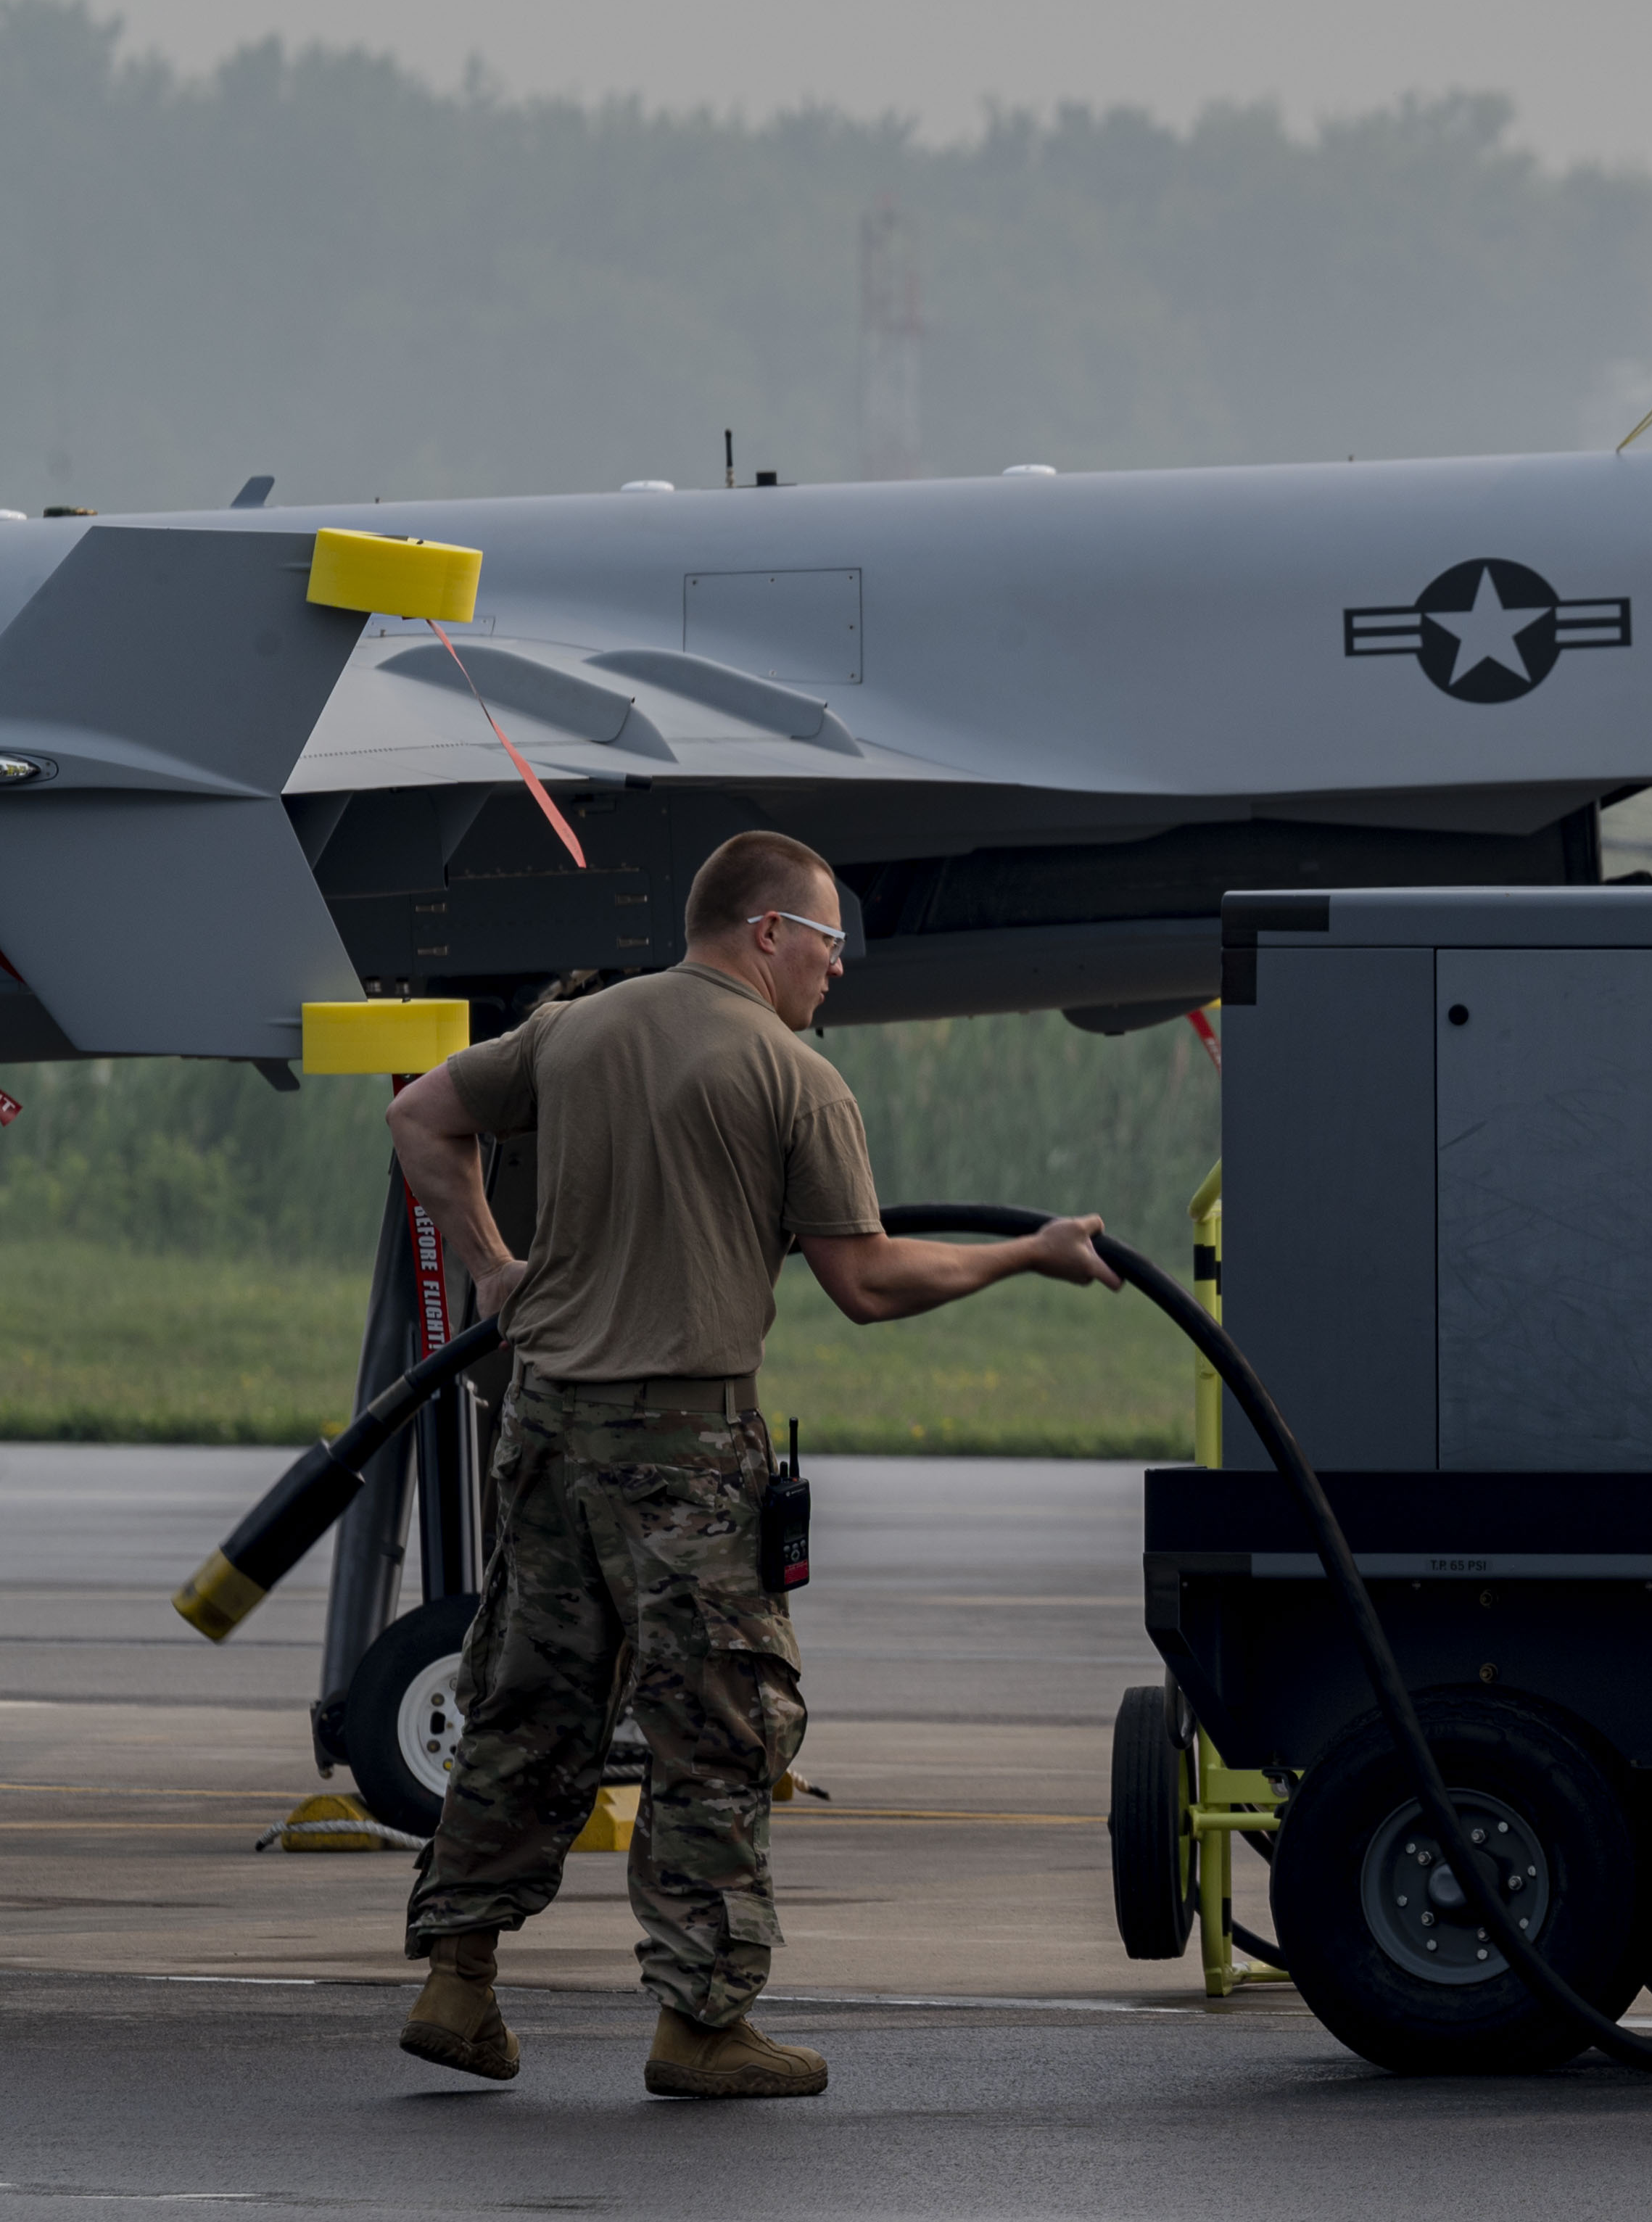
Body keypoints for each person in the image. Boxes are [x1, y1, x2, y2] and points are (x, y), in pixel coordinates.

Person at [384, 830, 1113, 2099]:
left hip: (548, 1426)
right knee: (719, 1725)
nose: (838, 973)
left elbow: (419, 1114)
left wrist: (494, 1264)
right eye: (831, 943)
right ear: (770, 932)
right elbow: (869, 1282)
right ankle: (703, 2023)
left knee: (526, 1701)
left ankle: (459, 1980)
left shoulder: (577, 1031)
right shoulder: (794, 1077)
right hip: (682, 1440)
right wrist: (1028, 1255)